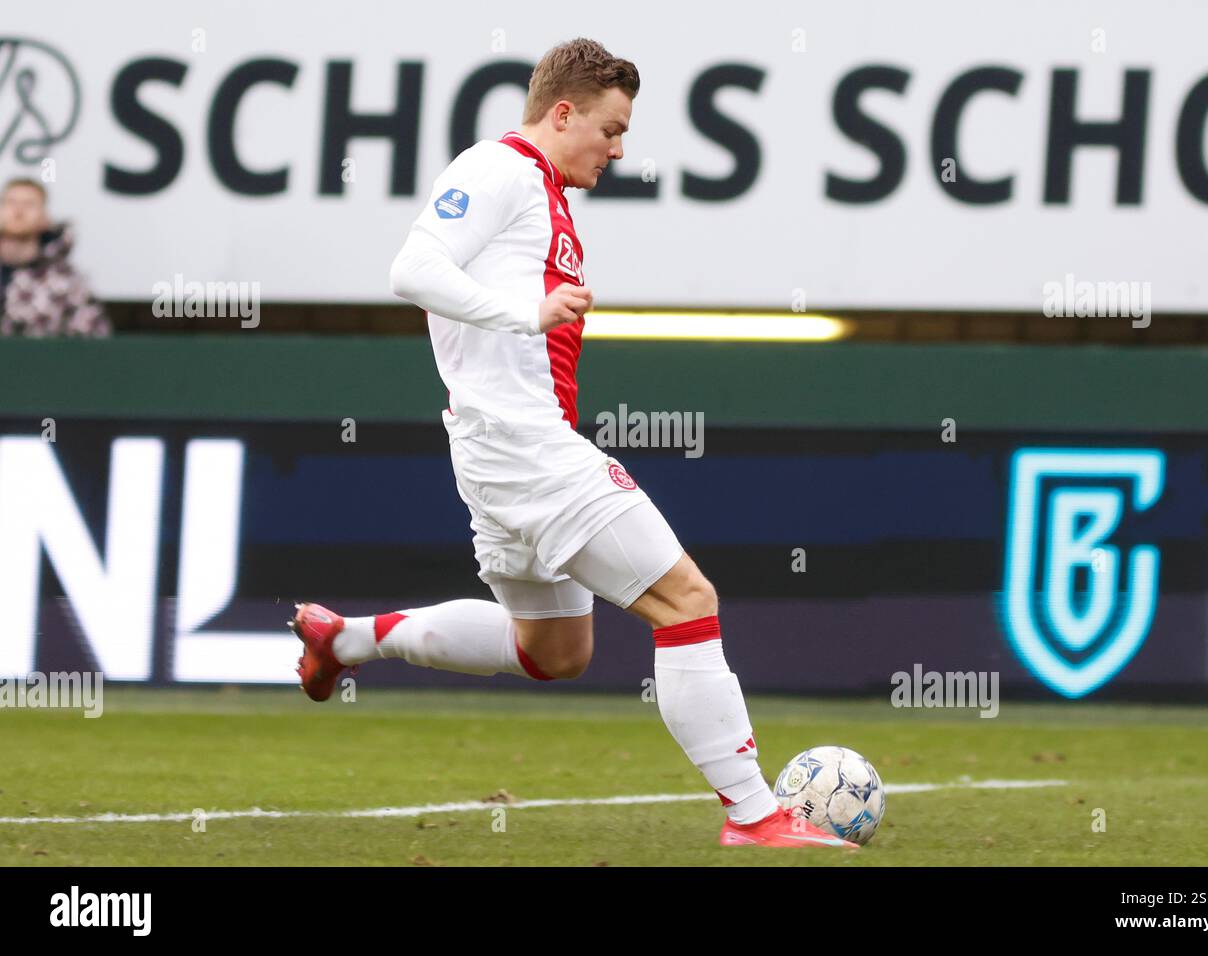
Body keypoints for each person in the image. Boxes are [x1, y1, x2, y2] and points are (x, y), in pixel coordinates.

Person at [290, 38, 854, 849]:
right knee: (687, 601)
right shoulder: (502, 169)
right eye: (611, 128)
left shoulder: (539, 191)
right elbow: (411, 269)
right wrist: (526, 312)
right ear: (563, 112)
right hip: (526, 450)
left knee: (554, 651)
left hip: (497, 455)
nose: (619, 150)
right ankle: (754, 815)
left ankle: (342, 639)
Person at [0, 178, 111, 337]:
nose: (18, 211)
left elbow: (95, 337)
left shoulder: (65, 282)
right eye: (10, 202)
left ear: (44, 217)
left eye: (29, 204)